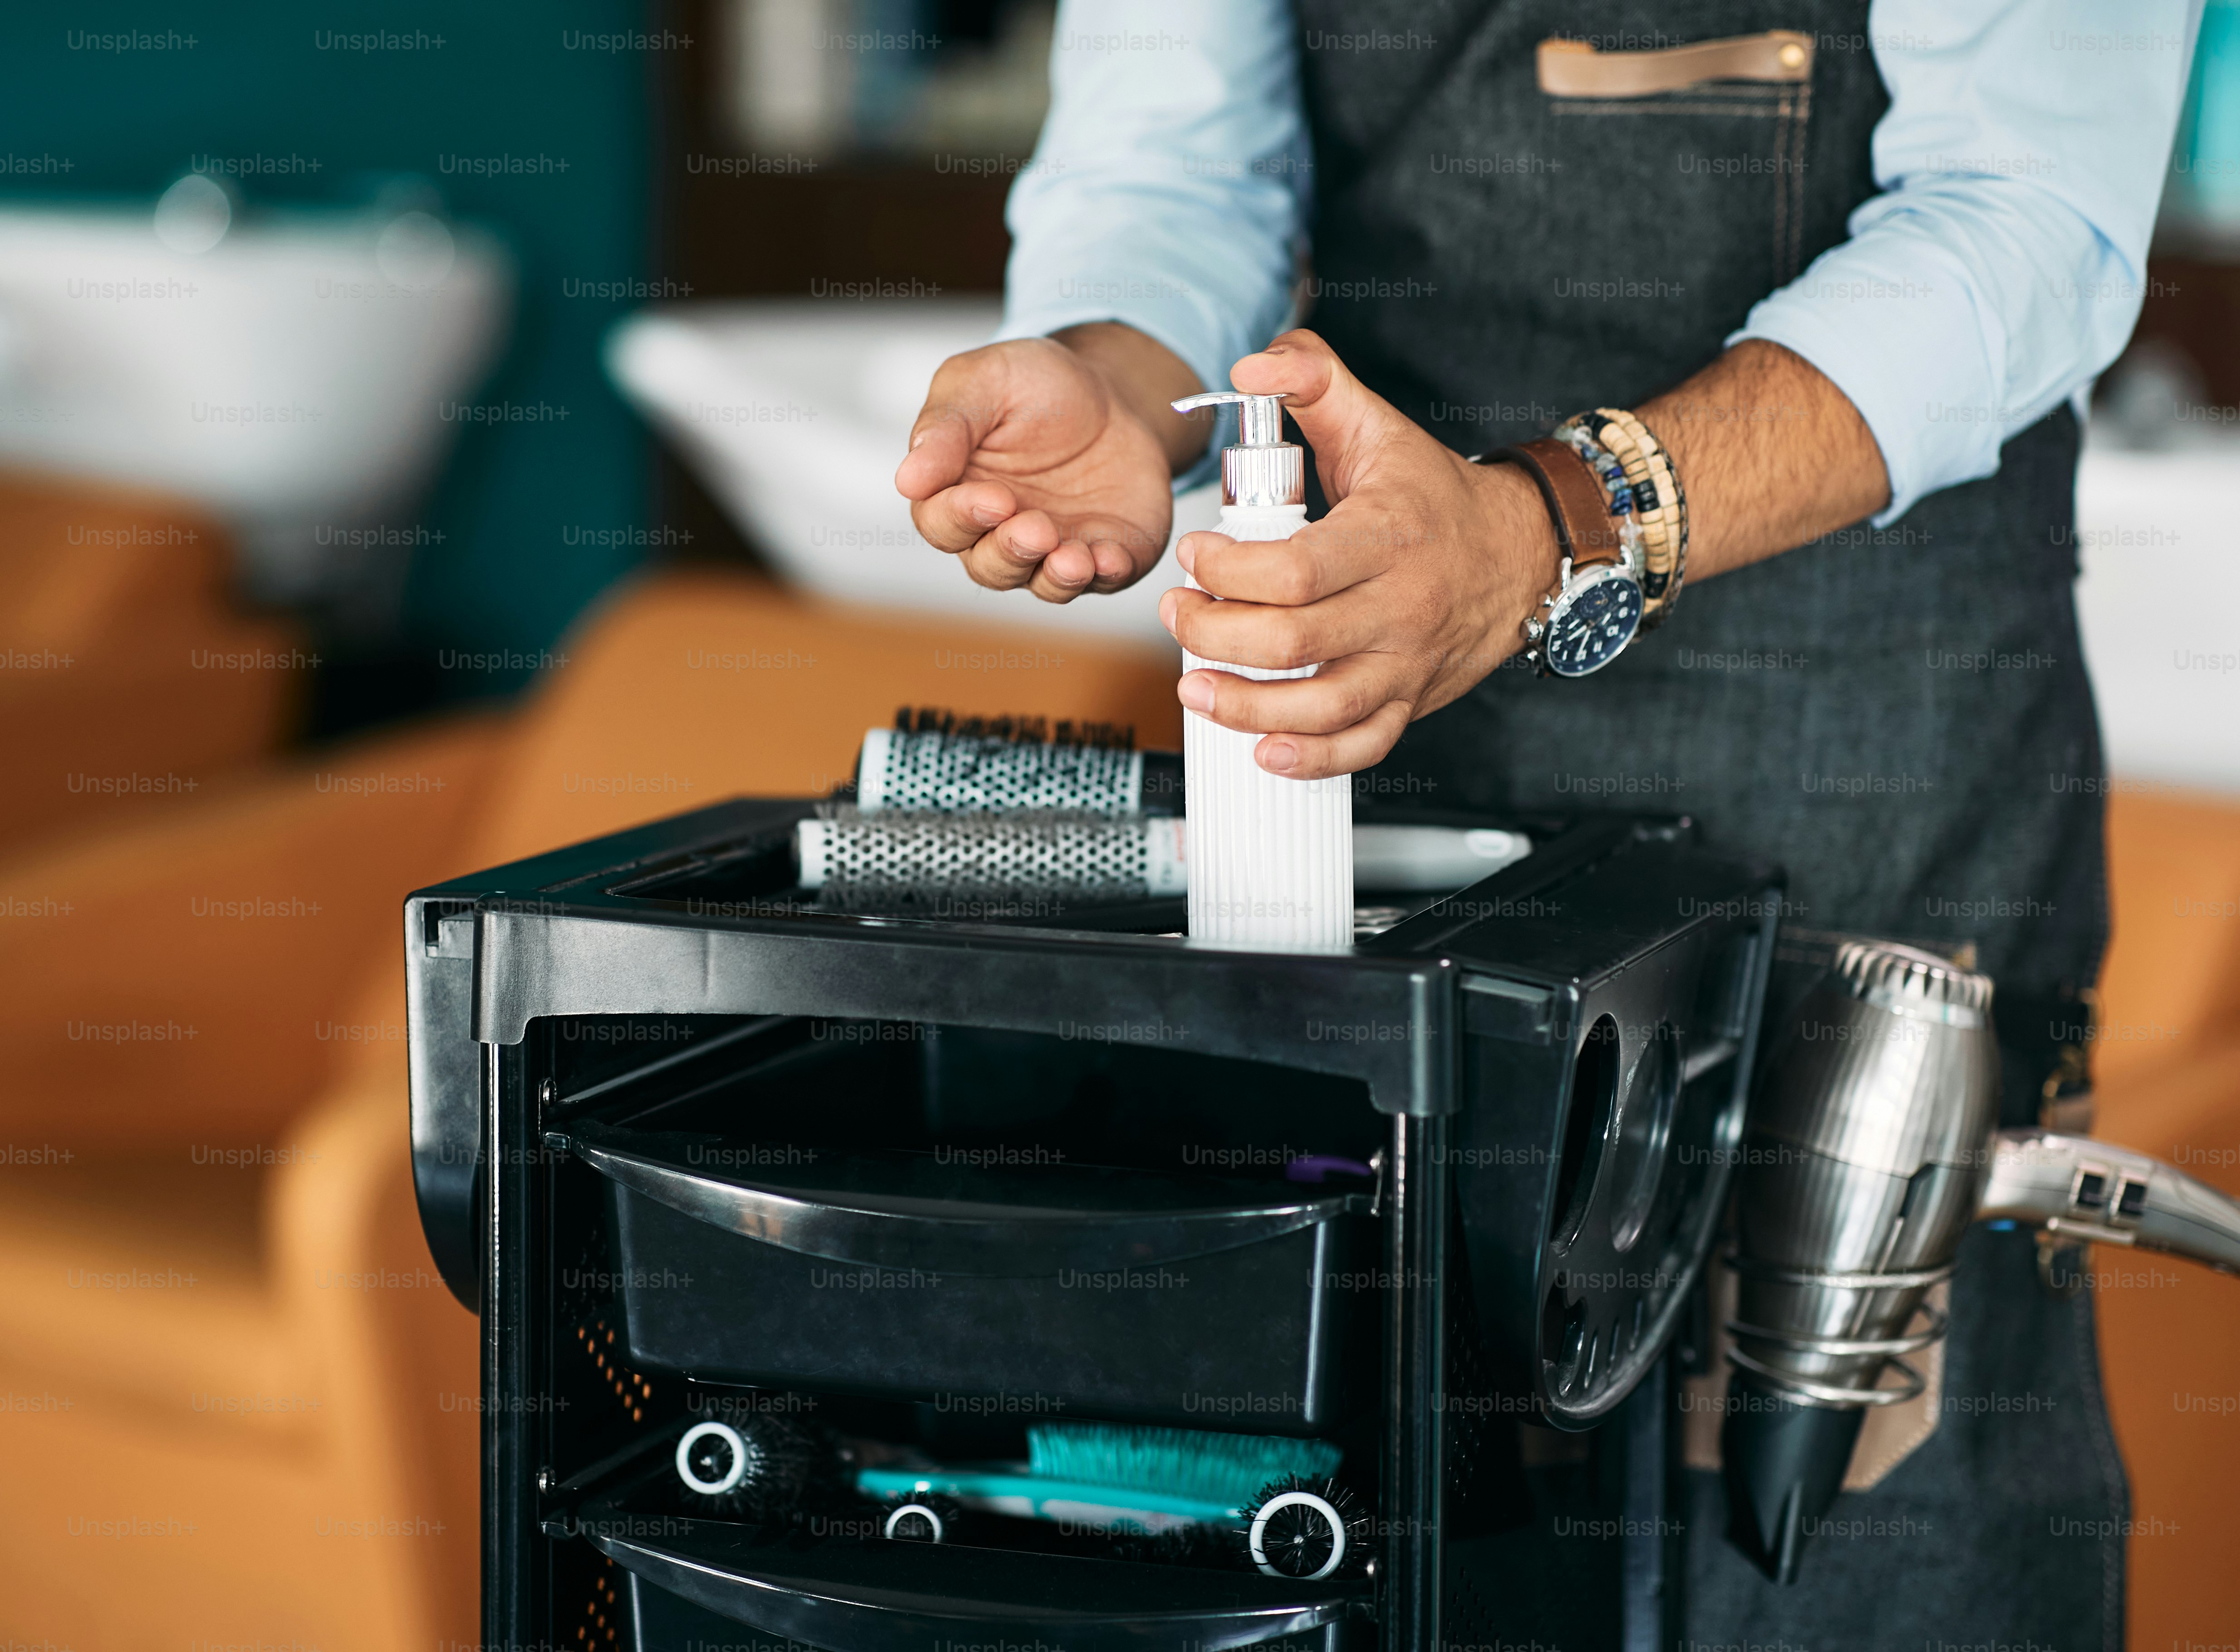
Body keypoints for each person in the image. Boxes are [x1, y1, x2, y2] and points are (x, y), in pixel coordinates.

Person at [895, 1, 2198, 1643]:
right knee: (1436, 1509)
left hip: (1861, 761)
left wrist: (1551, 532)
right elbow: (1171, 168)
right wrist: (1116, 381)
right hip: (1419, 729)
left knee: (1850, 1548)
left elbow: (2024, 218)